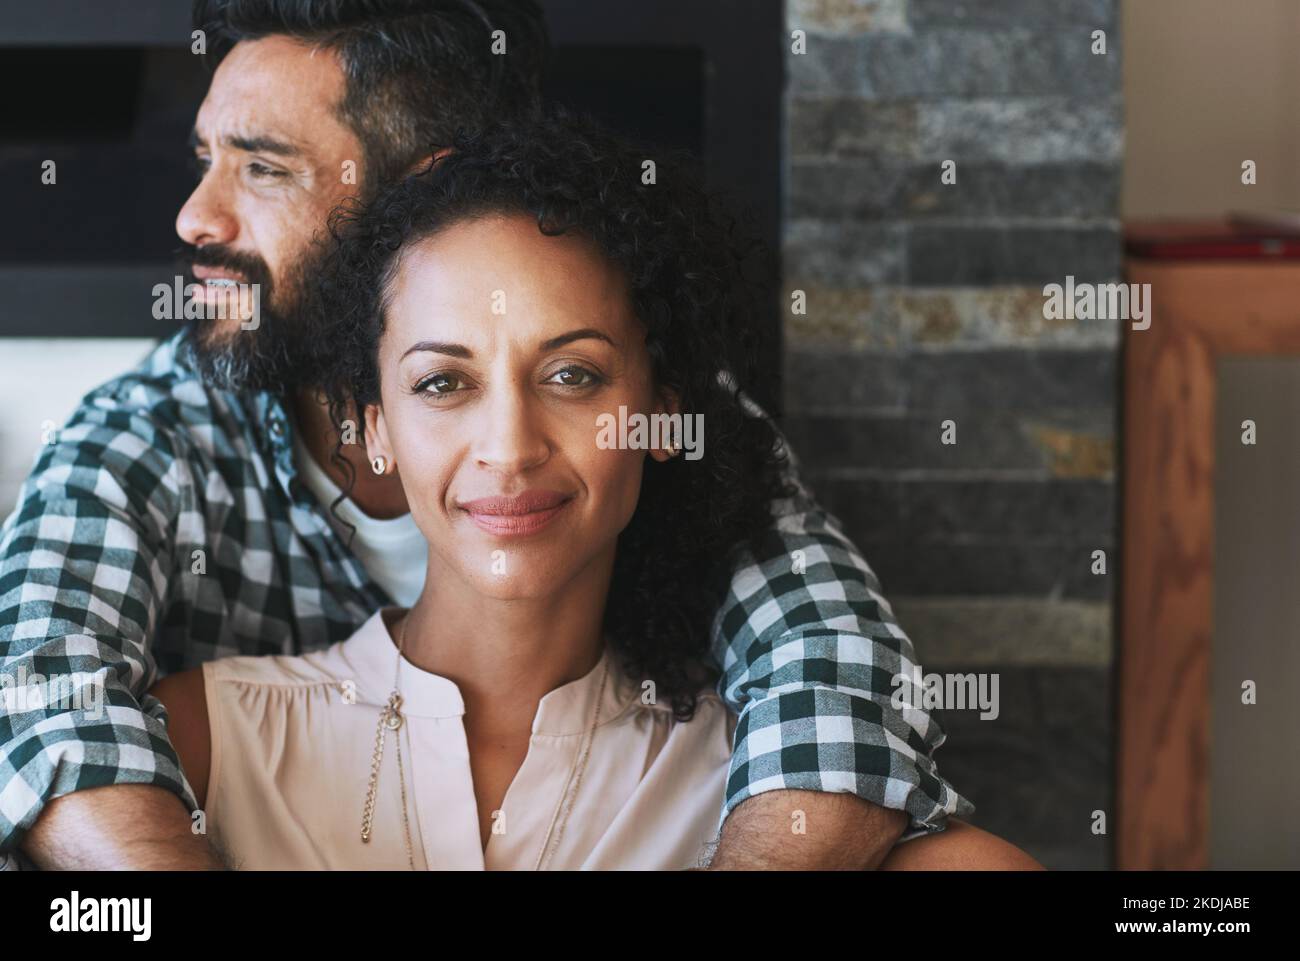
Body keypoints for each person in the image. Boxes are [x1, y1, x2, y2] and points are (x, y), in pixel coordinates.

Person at [0, 0, 1011, 871]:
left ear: (419, 190)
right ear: (376, 424)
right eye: (441, 384)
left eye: (261, 169)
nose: (192, 217)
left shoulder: (664, 432)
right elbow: (36, 694)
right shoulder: (145, 447)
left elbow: (829, 663)